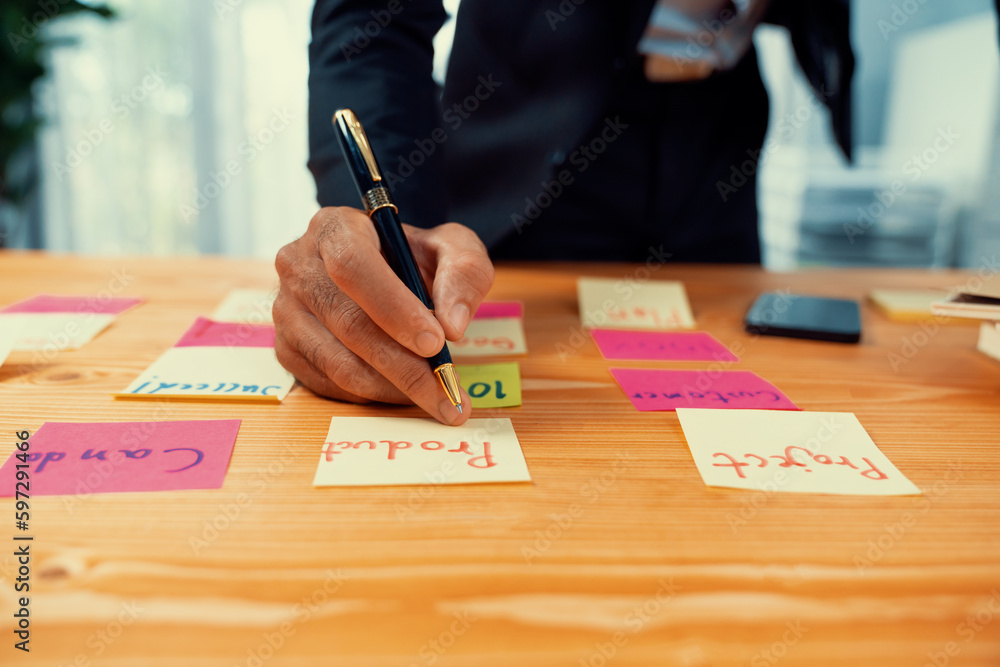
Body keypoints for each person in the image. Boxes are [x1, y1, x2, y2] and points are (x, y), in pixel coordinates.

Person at [273, 0, 853, 425]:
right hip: (526, 150)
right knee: (452, 312)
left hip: (720, 147)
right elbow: (374, 22)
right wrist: (395, 224)